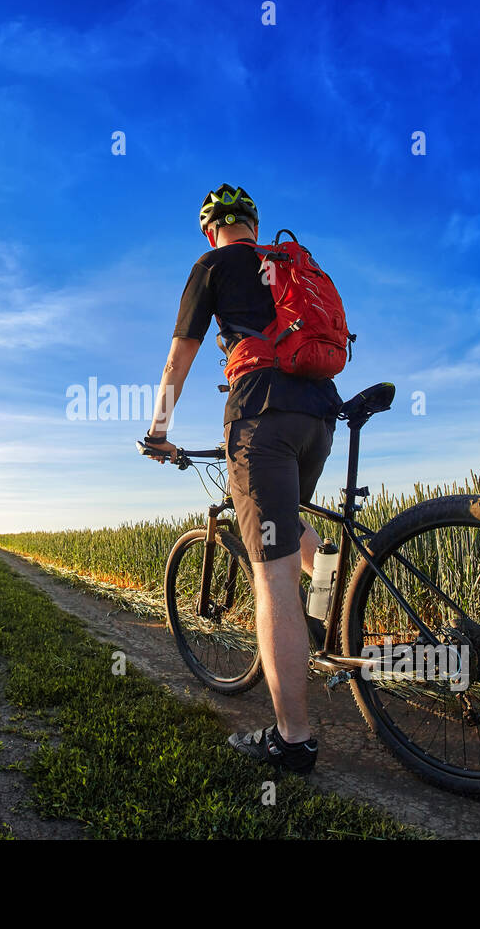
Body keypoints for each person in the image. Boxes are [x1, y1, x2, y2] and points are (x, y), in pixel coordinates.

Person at [143, 184, 342, 775]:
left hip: (263, 416)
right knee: (293, 530)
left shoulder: (212, 266)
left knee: (272, 573)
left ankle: (292, 739)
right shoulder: (289, 264)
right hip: (321, 413)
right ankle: (333, 604)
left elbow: (179, 358)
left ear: (212, 231)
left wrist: (158, 430)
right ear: (254, 225)